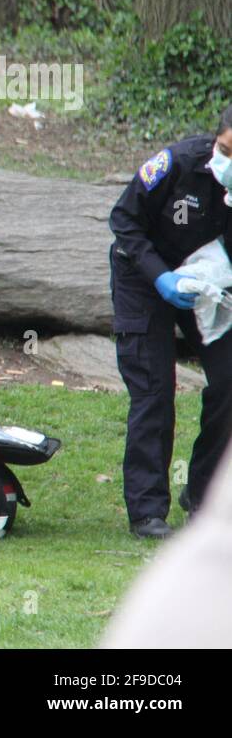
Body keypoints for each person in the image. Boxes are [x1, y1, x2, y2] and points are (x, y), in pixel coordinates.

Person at [108, 105, 232, 538]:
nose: (227, 161)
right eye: (224, 149)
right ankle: (146, 509)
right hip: (145, 276)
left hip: (209, 284)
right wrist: (159, 276)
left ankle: (204, 496)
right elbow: (124, 219)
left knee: (229, 379)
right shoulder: (176, 164)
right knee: (154, 388)